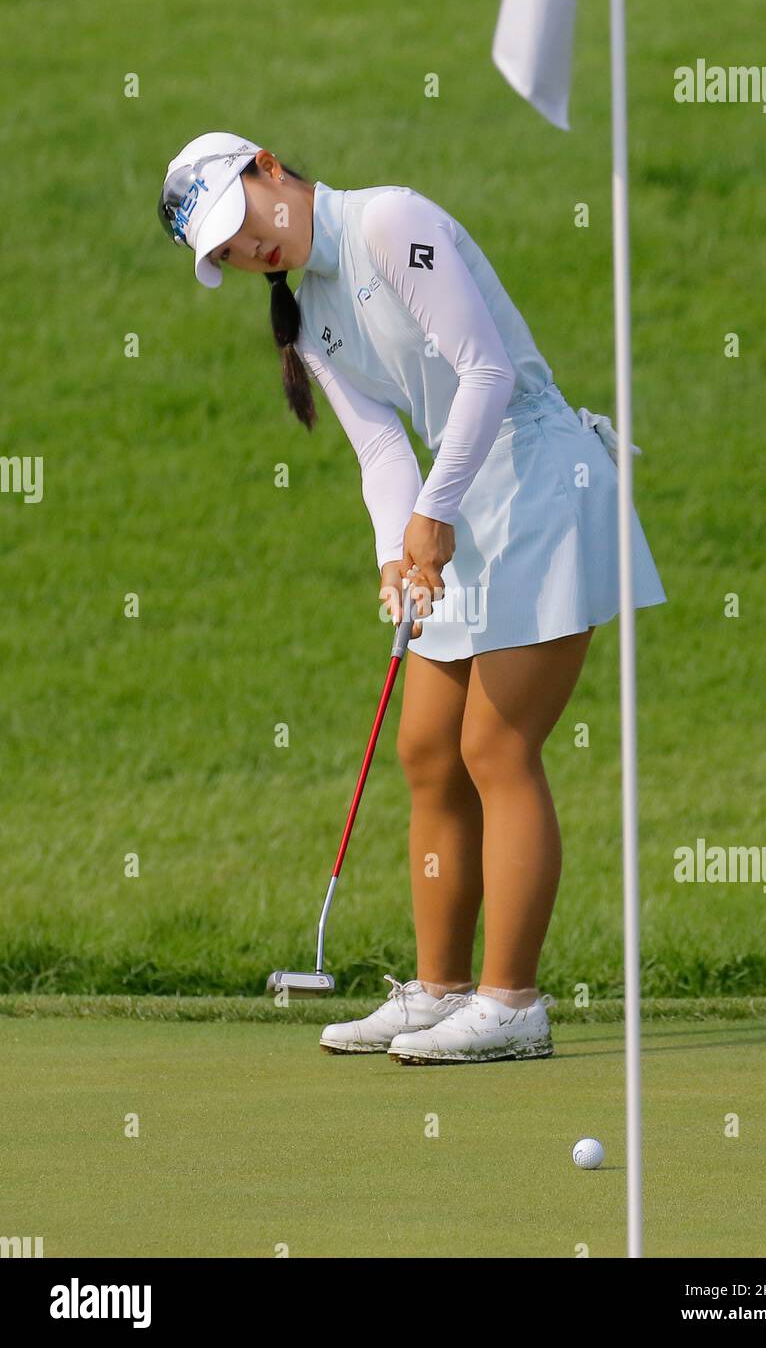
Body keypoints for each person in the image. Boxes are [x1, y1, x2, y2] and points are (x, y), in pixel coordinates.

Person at [158, 131, 666, 1064]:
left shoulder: (391, 220)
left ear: (271, 167)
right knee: (429, 750)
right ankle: (438, 991)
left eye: (246, 223)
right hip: (461, 502)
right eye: (228, 253)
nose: (251, 250)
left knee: (495, 744)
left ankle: (513, 1004)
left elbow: (487, 372)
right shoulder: (307, 317)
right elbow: (383, 451)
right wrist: (396, 552)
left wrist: (431, 515)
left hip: (547, 483)